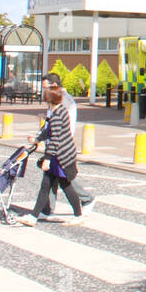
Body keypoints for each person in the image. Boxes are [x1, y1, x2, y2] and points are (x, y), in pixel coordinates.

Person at [17, 76, 85, 226]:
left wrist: (47, 158)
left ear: (49, 100)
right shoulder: (59, 111)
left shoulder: (57, 116)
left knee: (65, 186)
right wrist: (36, 140)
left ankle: (78, 215)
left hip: (60, 157)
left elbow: (54, 139)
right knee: (46, 186)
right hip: (60, 155)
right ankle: (33, 217)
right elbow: (48, 130)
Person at [44, 78, 94, 216]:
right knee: (51, 178)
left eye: (45, 87)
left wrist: (48, 155)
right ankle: (47, 209)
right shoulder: (56, 100)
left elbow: (58, 127)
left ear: (53, 86)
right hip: (56, 144)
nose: (43, 90)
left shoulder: (63, 102)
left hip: (61, 146)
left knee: (65, 178)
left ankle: (86, 199)